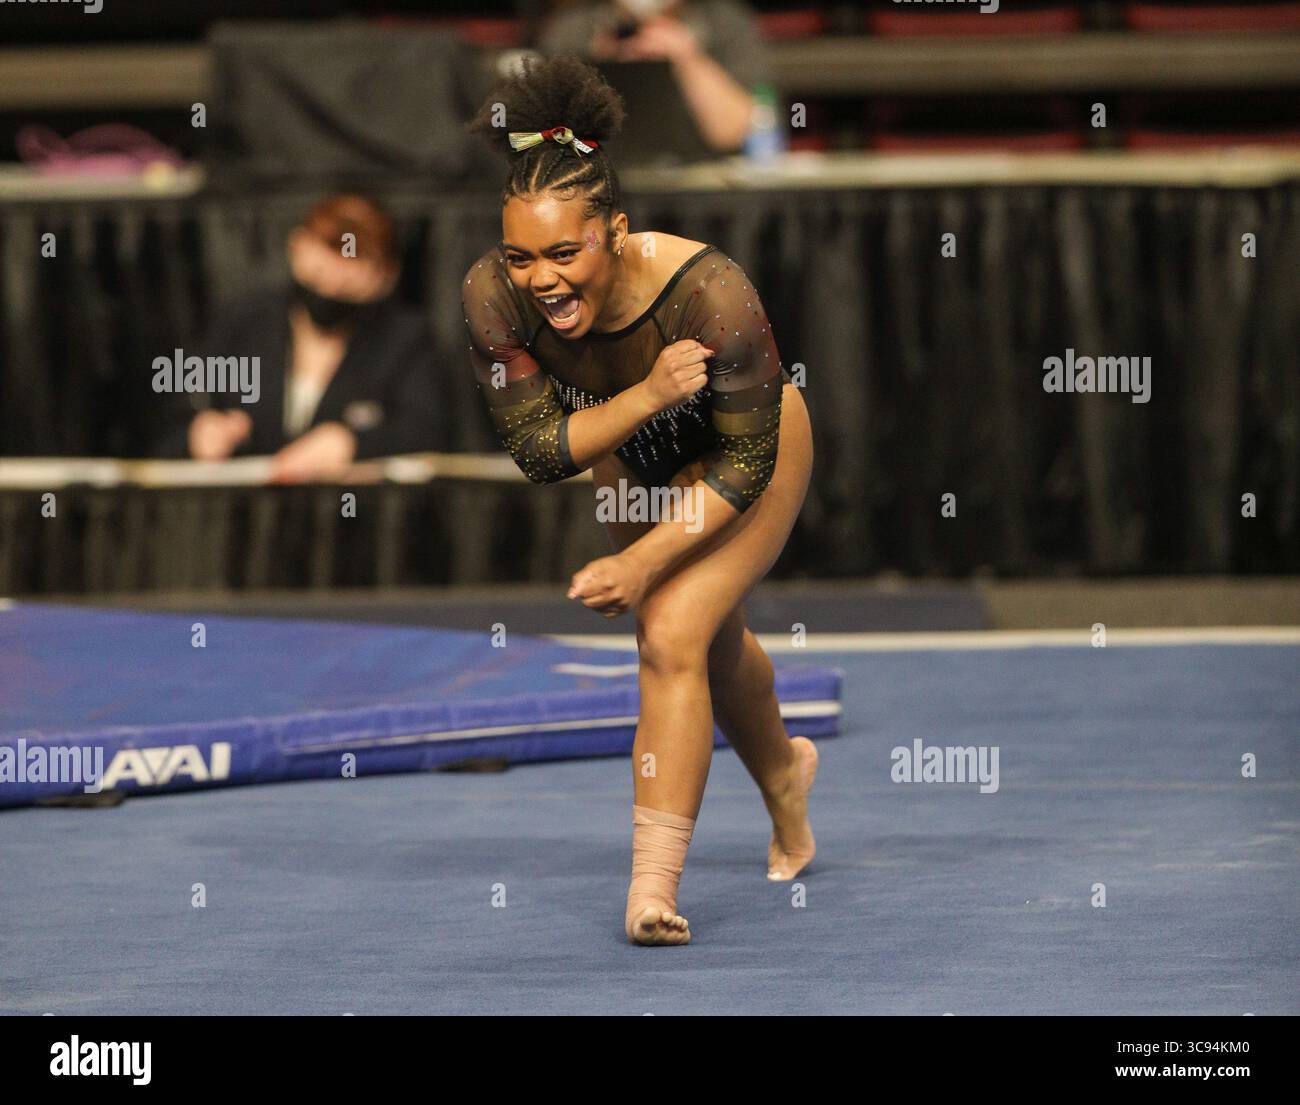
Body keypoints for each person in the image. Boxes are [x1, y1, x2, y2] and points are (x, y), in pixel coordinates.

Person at [462, 55, 815, 946]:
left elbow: (744, 459)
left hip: (751, 451)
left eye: (564, 252)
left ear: (615, 230)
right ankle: (783, 774)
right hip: (637, 445)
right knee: (710, 637)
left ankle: (651, 890)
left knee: (669, 627)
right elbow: (541, 450)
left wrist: (642, 558)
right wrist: (650, 398)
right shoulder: (490, 295)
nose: (540, 278)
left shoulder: (710, 292)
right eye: (521, 255)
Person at [177, 194, 445, 479]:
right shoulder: (245, 322)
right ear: (297, 247)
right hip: (250, 514)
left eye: (347, 283)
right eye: (320, 275)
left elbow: (428, 431)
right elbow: (179, 410)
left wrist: (353, 443)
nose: (331, 287)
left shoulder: (405, 340)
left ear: (385, 276)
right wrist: (200, 431)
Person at [539, 0, 772, 152]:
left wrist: (687, 58)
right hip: (600, 181)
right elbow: (553, 138)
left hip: (699, 193)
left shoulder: (725, 22)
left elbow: (734, 133)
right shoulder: (573, 29)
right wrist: (601, 67)